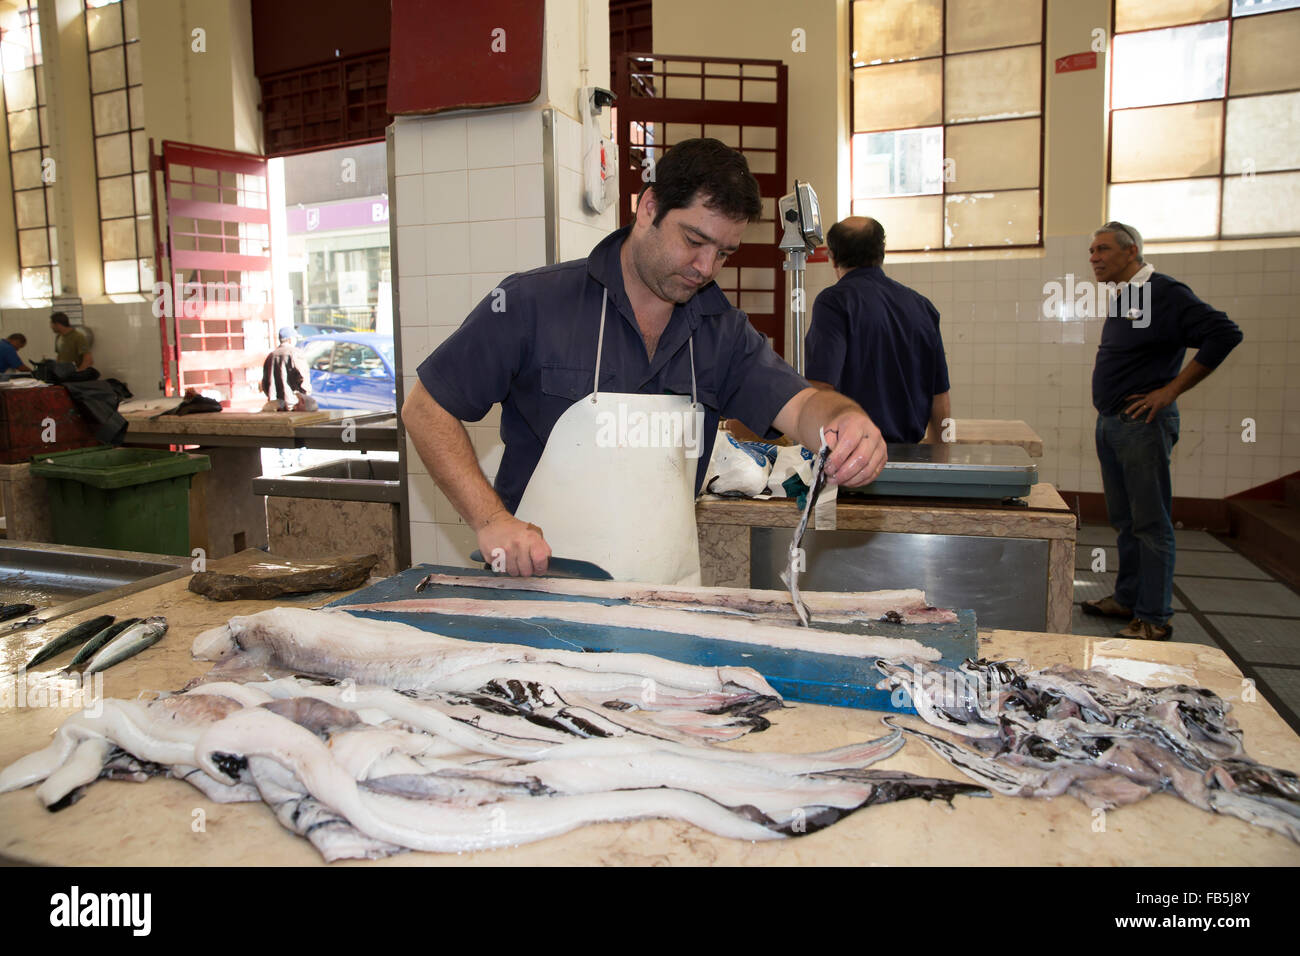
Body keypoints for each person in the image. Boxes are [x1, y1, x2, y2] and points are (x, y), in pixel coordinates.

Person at [402, 137, 888, 583]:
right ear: (648, 207)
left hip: (666, 599)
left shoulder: (722, 332)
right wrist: (491, 521)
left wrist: (847, 421)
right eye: (694, 241)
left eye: (723, 253)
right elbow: (426, 407)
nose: (705, 268)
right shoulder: (533, 303)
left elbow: (803, 408)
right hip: (540, 592)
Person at [1082, 221, 1242, 641]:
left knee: (1150, 523)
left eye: (1102, 250)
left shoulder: (1163, 292)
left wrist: (1169, 392)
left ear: (1130, 250)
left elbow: (1224, 333)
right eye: (1091, 252)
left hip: (1142, 425)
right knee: (1125, 519)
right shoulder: (1127, 297)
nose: (1094, 258)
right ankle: (1128, 599)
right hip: (1113, 422)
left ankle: (1154, 617)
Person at [804, 217, 951, 443]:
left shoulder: (834, 302)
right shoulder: (922, 306)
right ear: (882, 251)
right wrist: (944, 454)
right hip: (909, 456)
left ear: (832, 257)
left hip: (855, 454)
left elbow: (821, 385)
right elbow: (939, 396)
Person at [259, 327, 317, 412]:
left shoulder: (271, 356)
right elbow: (303, 377)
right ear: (290, 339)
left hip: (276, 406)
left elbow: (265, 383)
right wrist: (305, 398)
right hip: (294, 405)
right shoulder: (295, 353)